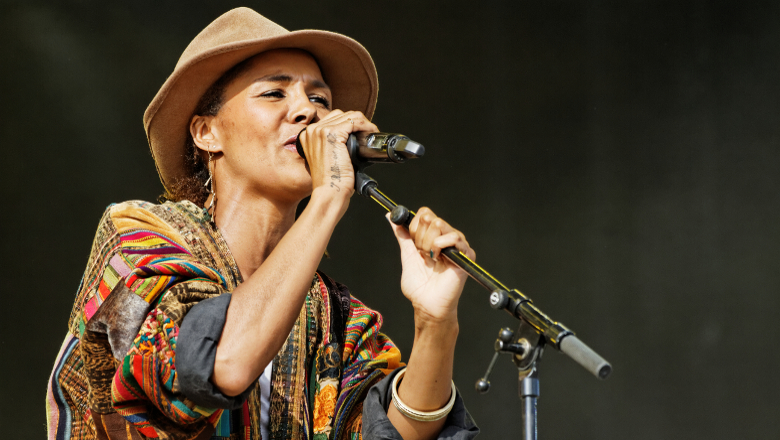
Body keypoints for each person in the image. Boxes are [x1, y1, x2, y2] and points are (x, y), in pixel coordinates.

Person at [46, 7, 479, 440]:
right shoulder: (138, 236)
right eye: (274, 93)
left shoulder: (331, 314)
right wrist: (328, 196)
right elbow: (220, 365)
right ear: (206, 132)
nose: (307, 112)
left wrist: (435, 322)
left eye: (321, 99)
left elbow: (391, 433)